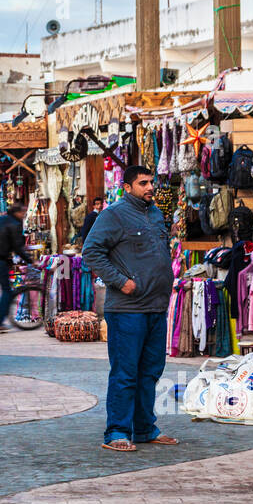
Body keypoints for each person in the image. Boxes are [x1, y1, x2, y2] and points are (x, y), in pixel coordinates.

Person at [81, 166, 179, 452]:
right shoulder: (114, 214)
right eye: (143, 183)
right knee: (126, 372)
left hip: (156, 306)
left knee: (150, 371)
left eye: (152, 182)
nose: (150, 187)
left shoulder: (156, 213)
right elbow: (91, 251)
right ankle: (116, 432)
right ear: (126, 187)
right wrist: (120, 282)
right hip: (127, 309)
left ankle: (145, 428)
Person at [0, 202, 30, 332]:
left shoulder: (1, 219)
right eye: (23, 213)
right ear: (17, 213)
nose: (23, 216)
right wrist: (30, 260)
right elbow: (18, 247)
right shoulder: (15, 224)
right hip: (0, 260)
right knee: (6, 290)